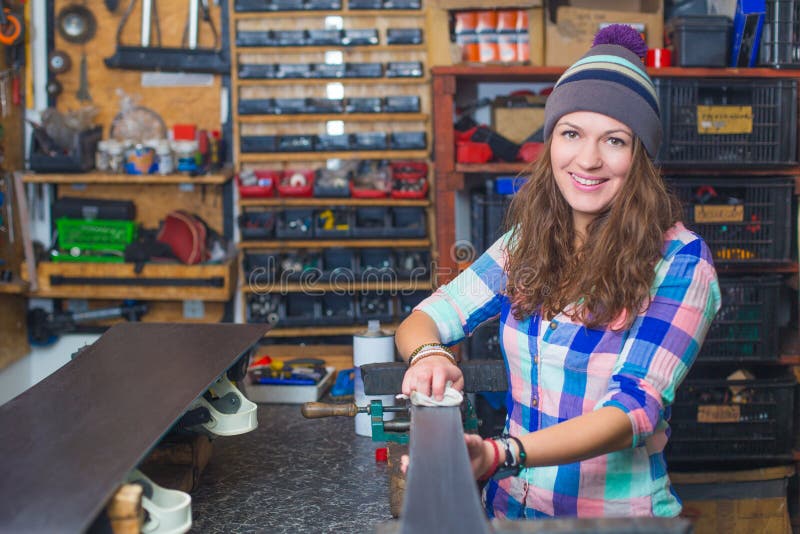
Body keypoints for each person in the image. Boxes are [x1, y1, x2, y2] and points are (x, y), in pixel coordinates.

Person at [395, 24, 721, 519]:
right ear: (550, 143)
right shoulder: (527, 241)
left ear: (642, 158)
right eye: (572, 134)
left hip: (613, 521)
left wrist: (503, 454)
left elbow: (631, 411)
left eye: (615, 140)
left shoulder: (680, 263)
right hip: (512, 510)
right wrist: (428, 356)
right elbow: (428, 315)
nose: (588, 160)